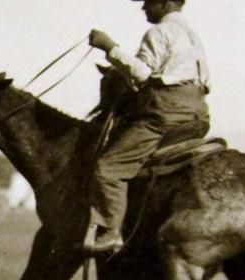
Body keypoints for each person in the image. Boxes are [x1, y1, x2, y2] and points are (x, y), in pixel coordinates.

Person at [84, 0, 211, 254]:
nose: (144, 8)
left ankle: (111, 232)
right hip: (197, 114)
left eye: (148, 3)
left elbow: (142, 73)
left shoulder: (159, 32)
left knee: (108, 168)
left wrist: (109, 46)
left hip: (165, 112)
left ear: (163, 3)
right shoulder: (193, 36)